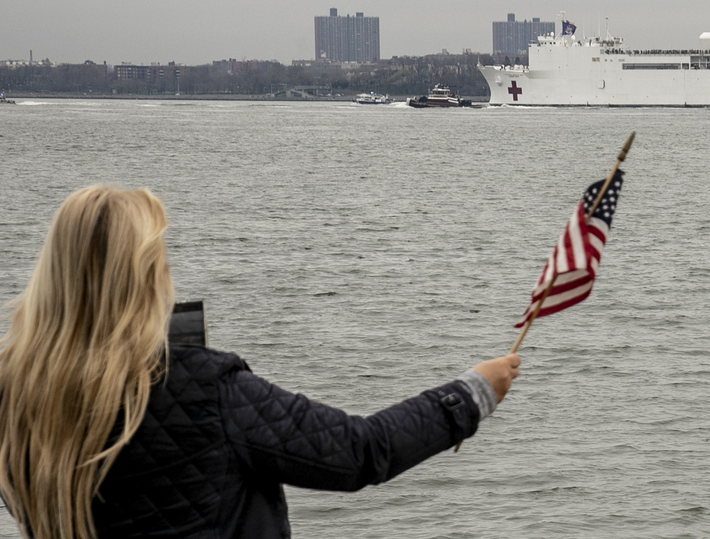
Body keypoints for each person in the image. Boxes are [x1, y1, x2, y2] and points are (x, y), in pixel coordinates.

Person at [0, 185, 520, 539]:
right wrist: (470, 395)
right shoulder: (203, 387)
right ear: (145, 276)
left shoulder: (16, 391)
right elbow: (358, 452)